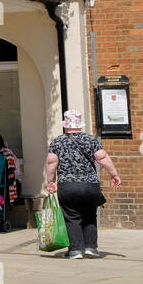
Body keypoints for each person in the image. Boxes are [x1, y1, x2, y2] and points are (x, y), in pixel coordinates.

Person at [46, 110, 120, 260]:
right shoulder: (90, 140)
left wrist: (51, 181)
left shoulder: (58, 141)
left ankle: (75, 250)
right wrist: (114, 174)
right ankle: (91, 248)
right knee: (90, 216)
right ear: (79, 125)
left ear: (66, 126)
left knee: (72, 217)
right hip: (90, 185)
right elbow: (102, 157)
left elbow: (51, 162)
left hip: (68, 185)